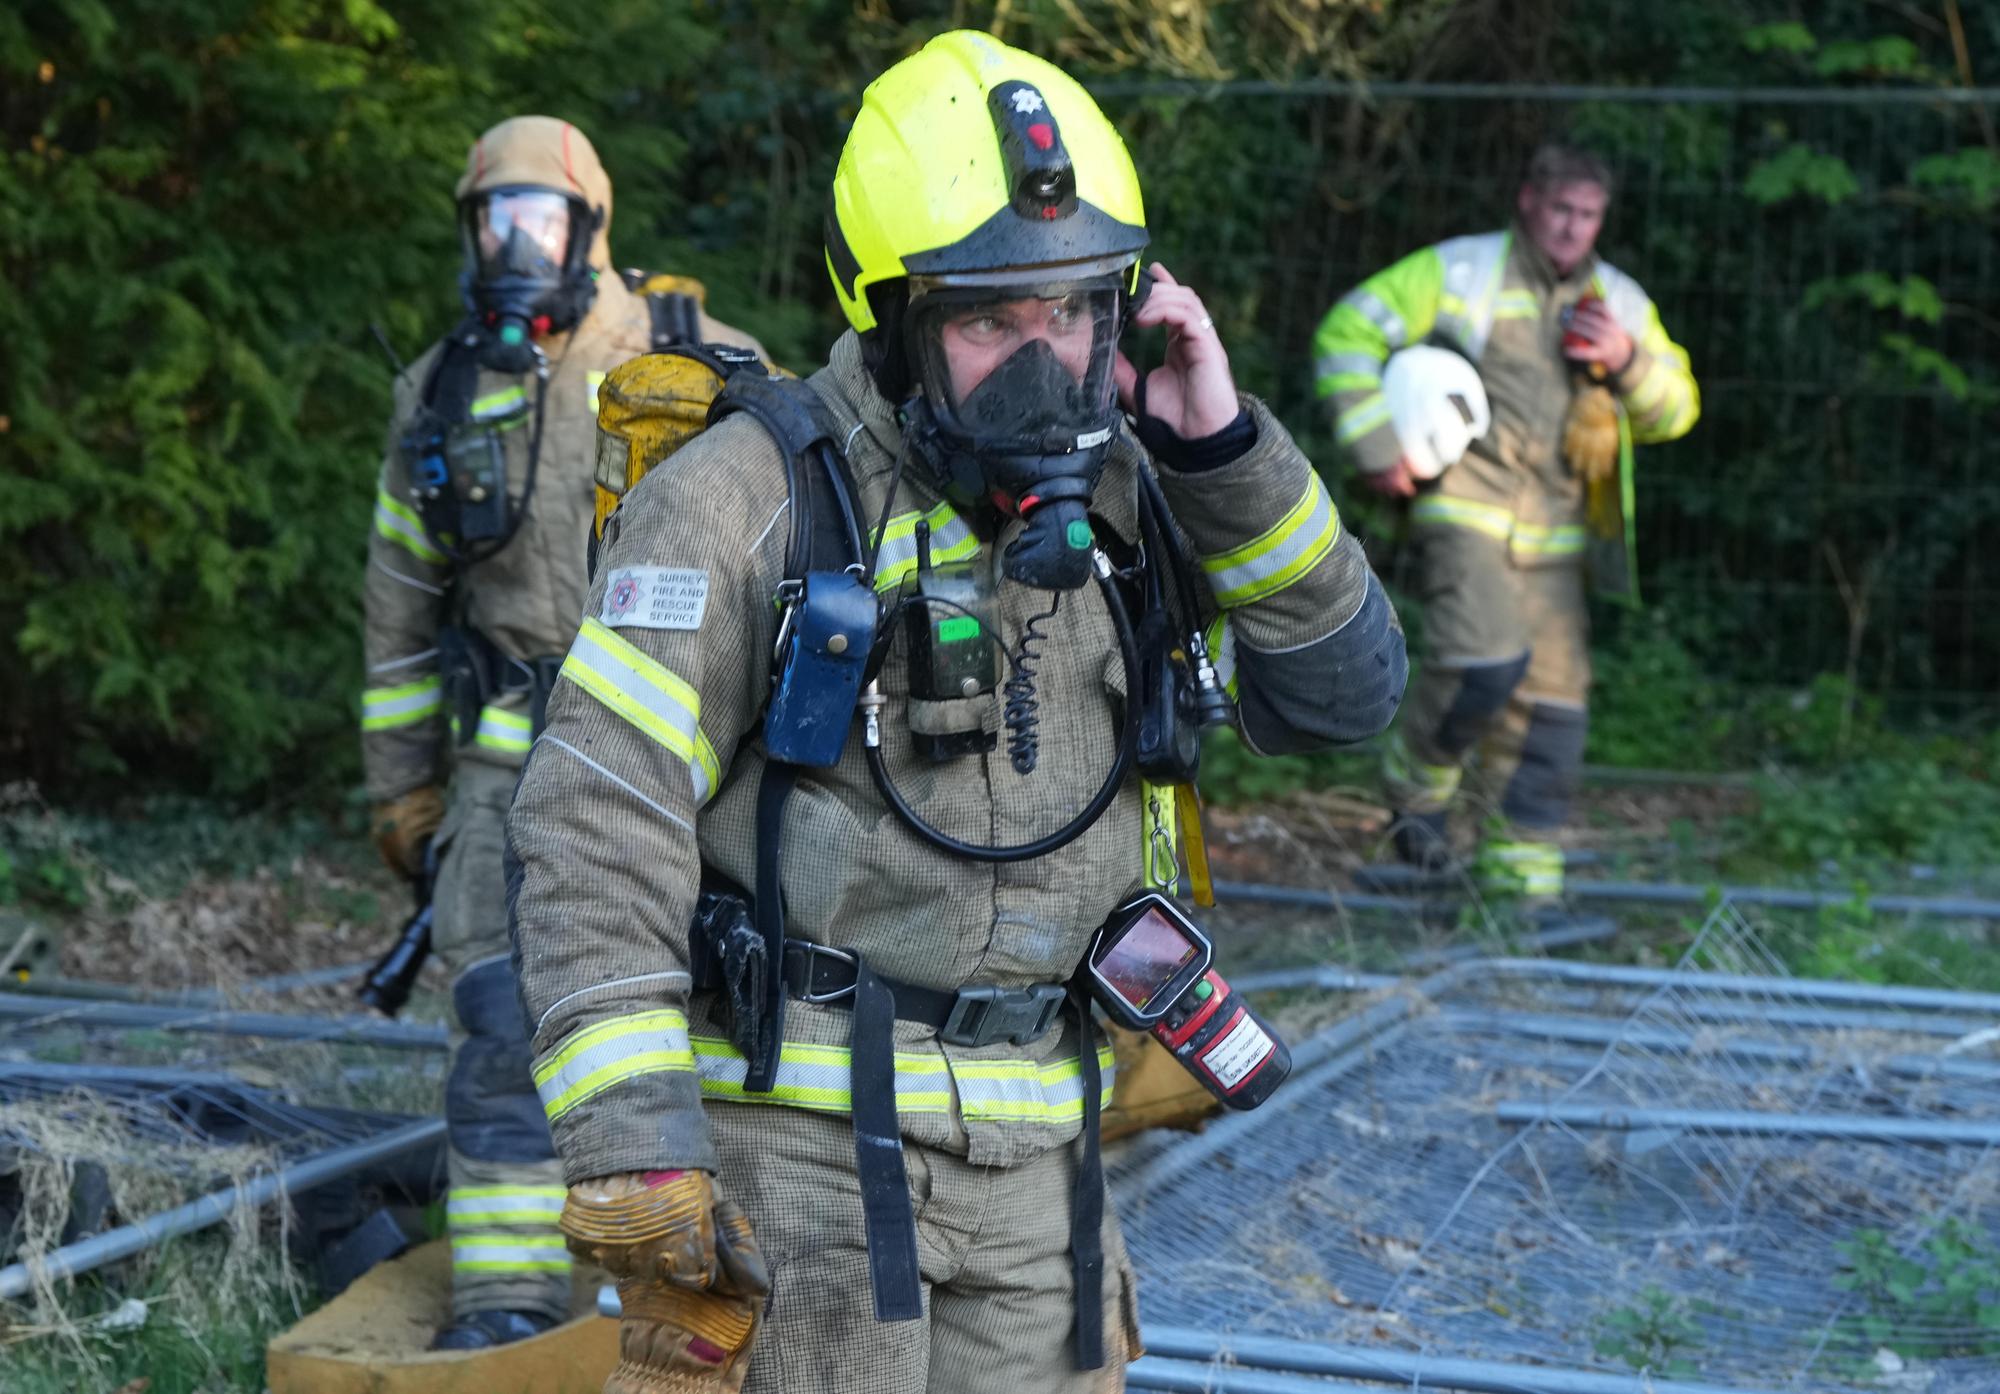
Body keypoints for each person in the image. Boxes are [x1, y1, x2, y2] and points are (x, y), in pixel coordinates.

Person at [506, 32, 1406, 1394]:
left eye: (1074, 315)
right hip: (800, 1156)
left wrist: (1220, 449)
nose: (1045, 367)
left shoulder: (1140, 489)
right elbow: (593, 817)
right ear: (895, 320)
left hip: (1046, 1151)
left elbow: (1346, 692)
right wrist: (636, 1139)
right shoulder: (745, 504)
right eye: (992, 322)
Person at [360, 114, 764, 1350]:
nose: (515, 244)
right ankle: (505, 1304)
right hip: (506, 755)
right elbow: (399, 608)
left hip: (678, 756)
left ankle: (700, 1281)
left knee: (697, 1008)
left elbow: (796, 547)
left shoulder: (700, 360)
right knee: (497, 1023)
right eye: (495, 219)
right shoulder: (439, 391)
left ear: (590, 225)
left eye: (540, 218)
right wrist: (404, 793)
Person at [1312, 142, 1699, 903]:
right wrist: (1377, 445)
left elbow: (1678, 411)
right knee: (1481, 666)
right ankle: (1414, 809)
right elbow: (1347, 333)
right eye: (1561, 209)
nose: (1572, 228)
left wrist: (1626, 362)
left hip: (1560, 545)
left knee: (1555, 715)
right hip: (1467, 514)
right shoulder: (1463, 272)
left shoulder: (1619, 303)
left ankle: (1520, 892)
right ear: (1528, 200)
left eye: (1588, 215)